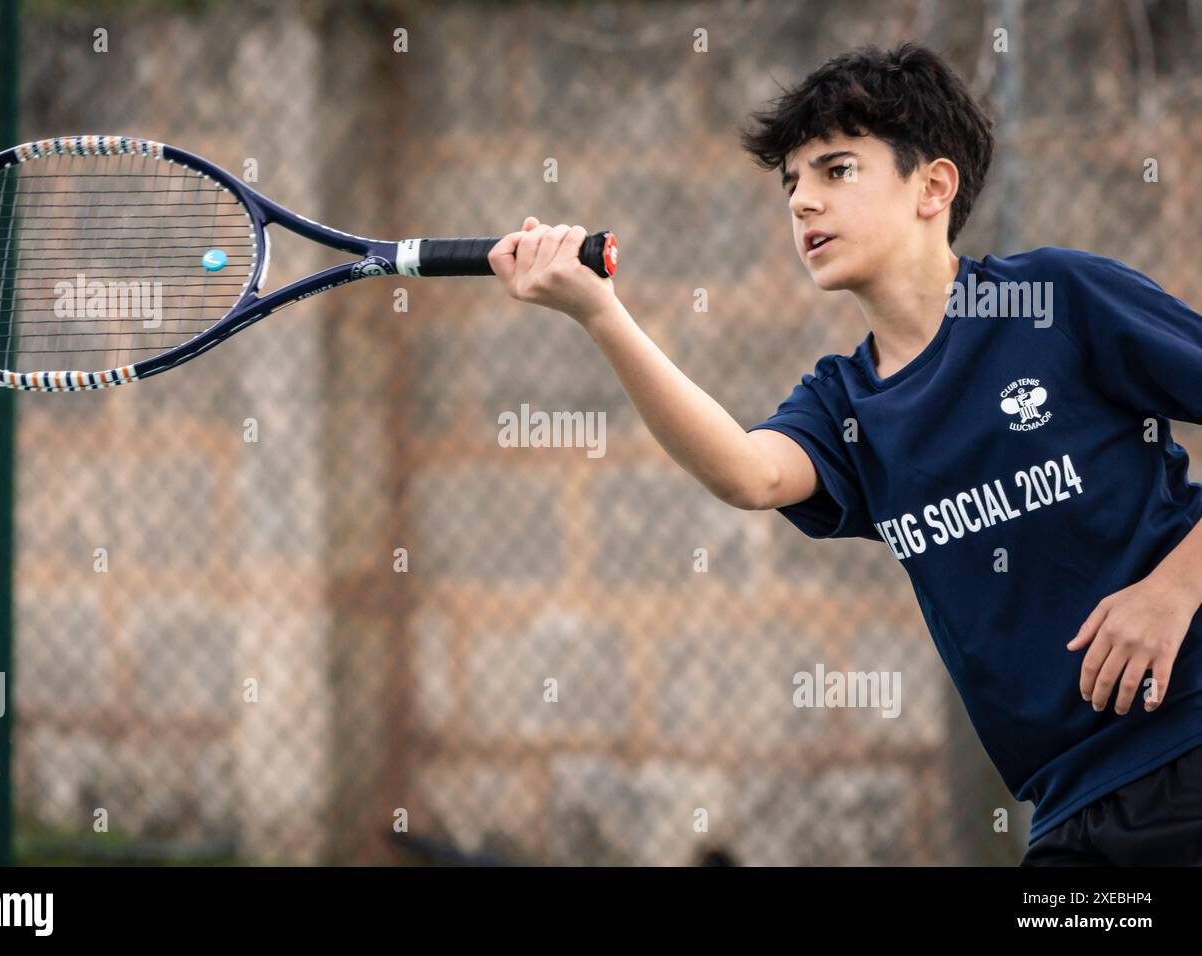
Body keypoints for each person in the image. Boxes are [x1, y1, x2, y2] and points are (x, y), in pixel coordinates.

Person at [487, 42, 1202, 866]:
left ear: (933, 187)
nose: (804, 204)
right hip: (1070, 807)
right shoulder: (844, 403)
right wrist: (600, 315)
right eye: (792, 184)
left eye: (836, 171)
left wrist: (1174, 592)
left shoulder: (1058, 299)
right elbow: (746, 473)